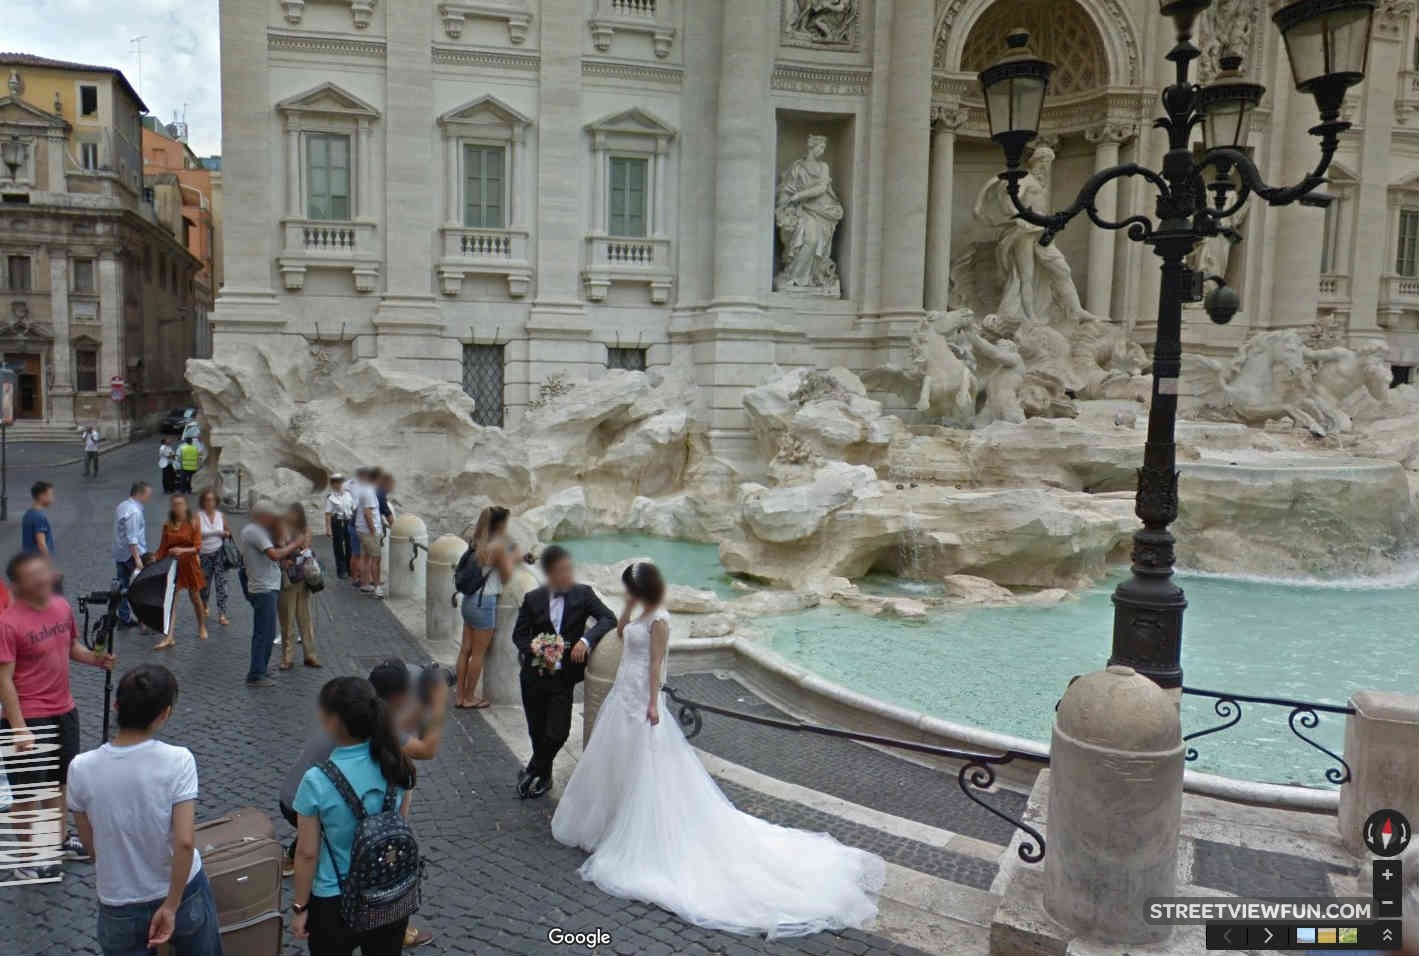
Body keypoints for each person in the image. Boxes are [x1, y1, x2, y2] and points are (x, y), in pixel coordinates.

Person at [552, 561, 884, 937]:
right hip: (620, 693)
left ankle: (635, 831)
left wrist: (651, 704)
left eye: (632, 589)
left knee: (643, 766)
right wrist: (627, 608)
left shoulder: (660, 619)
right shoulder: (639, 612)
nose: (628, 593)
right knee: (612, 760)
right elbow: (623, 631)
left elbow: (657, 663)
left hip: (639, 697)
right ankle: (607, 822)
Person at [279, 660, 444, 949]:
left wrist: (300, 907)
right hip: (387, 895)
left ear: (334, 722)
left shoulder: (316, 781)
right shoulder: (397, 763)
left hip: (334, 899)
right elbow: (399, 823)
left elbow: (306, 853)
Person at [67, 665, 223, 956]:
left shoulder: (80, 769)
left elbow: (92, 847)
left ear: (116, 706)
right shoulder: (179, 761)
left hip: (119, 901)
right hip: (183, 892)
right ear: (164, 714)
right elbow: (185, 842)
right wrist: (171, 906)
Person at [0, 552, 116, 876]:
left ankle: (59, 840)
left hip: (64, 710)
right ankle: (26, 858)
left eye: (43, 572)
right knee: (28, 790)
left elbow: (71, 648)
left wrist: (96, 659)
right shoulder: (8, 624)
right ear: (18, 585)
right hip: (27, 718)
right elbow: (4, 681)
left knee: (59, 783)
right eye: (32, 575)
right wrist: (19, 727)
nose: (41, 579)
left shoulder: (61, 607)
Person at [510, 545, 615, 799]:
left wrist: (586, 641)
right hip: (533, 677)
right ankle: (543, 777)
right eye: (562, 571)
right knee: (536, 730)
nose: (568, 575)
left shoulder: (584, 594)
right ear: (549, 574)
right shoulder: (532, 598)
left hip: (564, 678)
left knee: (558, 731)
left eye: (570, 569)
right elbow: (519, 636)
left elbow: (608, 618)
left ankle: (533, 768)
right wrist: (541, 649)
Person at [454, 507, 516, 710]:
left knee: (465, 650)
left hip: (469, 600)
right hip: (484, 603)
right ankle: (470, 698)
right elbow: (507, 577)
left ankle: (460, 696)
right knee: (479, 653)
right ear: (499, 524)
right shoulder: (497, 546)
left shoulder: (476, 540)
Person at [241, 501, 302, 687]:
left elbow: (275, 551)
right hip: (263, 588)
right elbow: (274, 554)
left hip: (267, 585)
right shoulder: (255, 531)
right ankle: (256, 674)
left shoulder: (260, 531)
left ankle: (261, 668)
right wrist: (295, 545)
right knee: (264, 633)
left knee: (266, 631)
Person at [155, 495, 208, 648]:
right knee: (172, 602)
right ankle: (169, 636)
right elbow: (162, 548)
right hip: (173, 566)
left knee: (195, 598)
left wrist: (182, 550)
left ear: (185, 506)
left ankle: (201, 626)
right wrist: (155, 560)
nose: (178, 507)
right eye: (175, 504)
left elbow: (198, 547)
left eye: (180, 504)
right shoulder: (168, 525)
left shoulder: (193, 523)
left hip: (189, 565)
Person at [278, 504, 319, 670]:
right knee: (287, 620)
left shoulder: (305, 529)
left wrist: (291, 547)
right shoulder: (282, 529)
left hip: (302, 578)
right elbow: (280, 547)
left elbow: (305, 546)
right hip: (287, 579)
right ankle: (287, 658)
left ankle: (310, 655)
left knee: (305, 618)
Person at [113, 482, 152, 628]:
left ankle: (124, 618)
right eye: (148, 495)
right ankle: (144, 621)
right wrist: (137, 559)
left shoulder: (122, 505)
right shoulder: (134, 512)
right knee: (141, 588)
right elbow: (132, 538)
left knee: (123, 587)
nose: (149, 498)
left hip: (120, 553)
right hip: (132, 555)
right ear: (139, 494)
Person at [196, 489, 231, 628]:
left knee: (221, 584)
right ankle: (204, 604)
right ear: (203, 502)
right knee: (204, 585)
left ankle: (222, 614)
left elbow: (228, 531)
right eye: (207, 500)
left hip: (219, 553)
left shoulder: (220, 516)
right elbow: (196, 534)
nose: (210, 503)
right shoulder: (198, 516)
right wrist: (217, 532)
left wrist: (226, 533)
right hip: (204, 554)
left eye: (212, 500)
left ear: (216, 501)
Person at [353, 467, 384, 598]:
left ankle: (365, 584)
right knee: (376, 559)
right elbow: (367, 513)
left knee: (366, 558)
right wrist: (374, 530)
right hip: (368, 531)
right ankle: (377, 587)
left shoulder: (363, 489)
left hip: (361, 529)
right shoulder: (370, 491)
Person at [322, 475, 354, 580]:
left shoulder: (348, 495)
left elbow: (353, 508)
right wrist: (328, 529)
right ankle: (341, 570)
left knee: (350, 546)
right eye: (338, 483)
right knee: (339, 546)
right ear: (333, 484)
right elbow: (327, 514)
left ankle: (350, 568)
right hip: (338, 522)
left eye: (341, 482)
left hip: (348, 521)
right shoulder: (331, 497)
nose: (340, 485)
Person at [22, 481, 55, 558]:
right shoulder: (39, 517)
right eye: (51, 495)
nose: (53, 498)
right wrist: (48, 562)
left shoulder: (28, 514)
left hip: (28, 559)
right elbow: (41, 544)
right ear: (42, 496)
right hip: (38, 560)